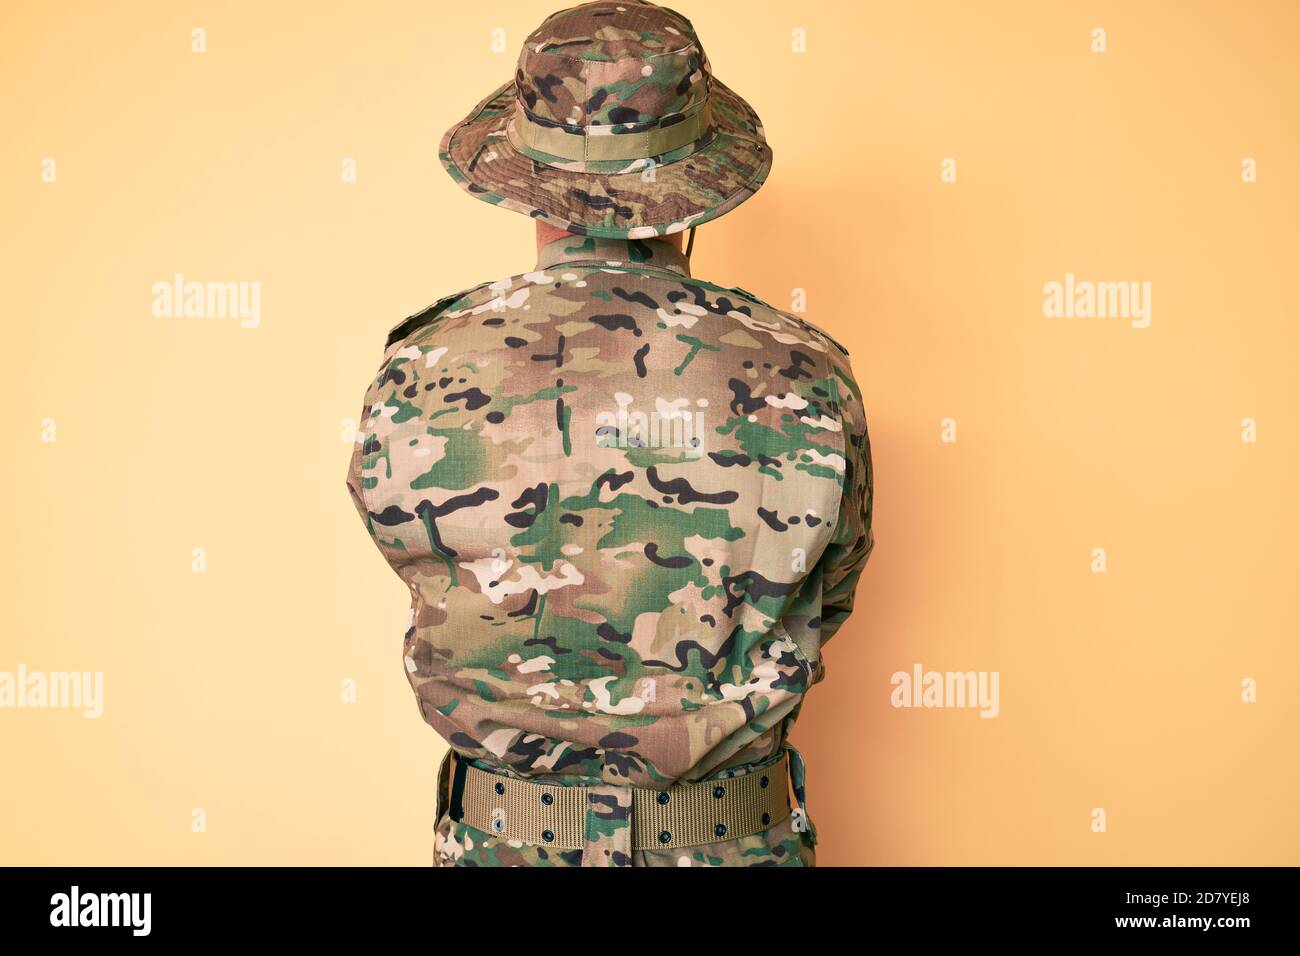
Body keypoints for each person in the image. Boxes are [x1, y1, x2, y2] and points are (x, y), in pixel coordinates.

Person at [346, 0, 873, 867]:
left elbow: (413, 563)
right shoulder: (805, 368)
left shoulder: (420, 366)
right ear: (695, 189)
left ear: (523, 175)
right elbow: (829, 589)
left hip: (502, 844)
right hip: (732, 843)